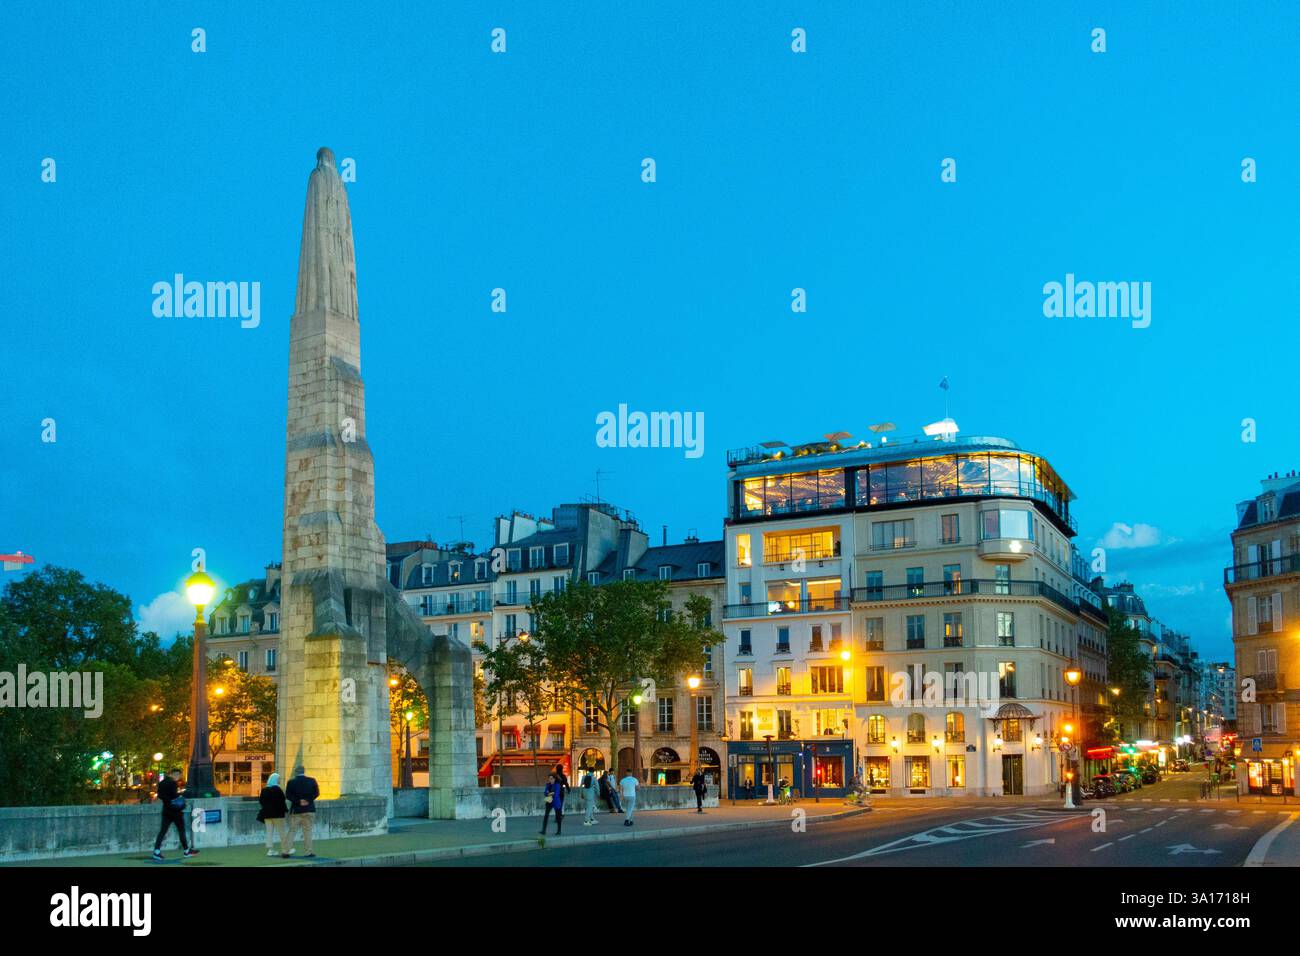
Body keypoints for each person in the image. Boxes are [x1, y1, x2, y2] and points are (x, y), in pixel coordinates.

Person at [152, 768, 198, 861]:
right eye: (179, 775)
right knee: (181, 830)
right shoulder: (173, 783)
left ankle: (156, 851)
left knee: (162, 831)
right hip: (175, 811)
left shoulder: (162, 783)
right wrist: (180, 796)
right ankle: (186, 851)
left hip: (166, 810)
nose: (179, 777)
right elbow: (175, 796)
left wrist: (167, 800)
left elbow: (160, 796)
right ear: (175, 774)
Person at [282, 764, 320, 858]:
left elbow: (288, 795)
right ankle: (308, 852)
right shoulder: (312, 780)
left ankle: (286, 851)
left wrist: (299, 801)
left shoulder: (291, 782)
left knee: (292, 831)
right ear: (304, 771)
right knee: (307, 831)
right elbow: (316, 793)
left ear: (296, 772)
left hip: (296, 810)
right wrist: (307, 800)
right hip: (309, 809)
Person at [257, 772, 288, 857]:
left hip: (267, 815)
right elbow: (282, 802)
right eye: (279, 779)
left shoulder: (264, 790)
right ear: (275, 780)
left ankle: (270, 850)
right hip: (278, 815)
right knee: (282, 833)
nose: (280, 780)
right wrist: (285, 811)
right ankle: (285, 850)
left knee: (269, 833)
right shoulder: (278, 790)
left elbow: (261, 801)